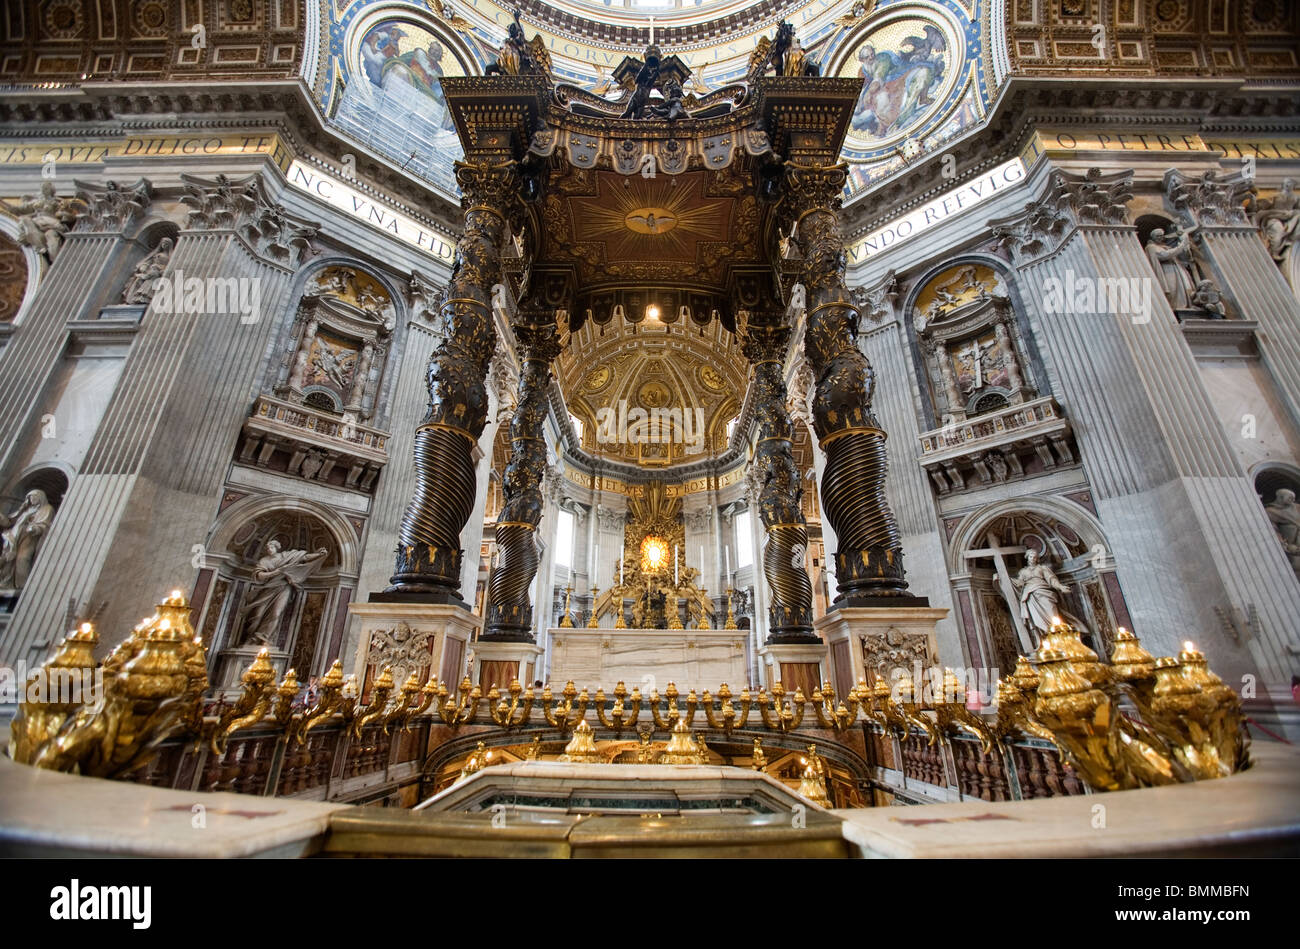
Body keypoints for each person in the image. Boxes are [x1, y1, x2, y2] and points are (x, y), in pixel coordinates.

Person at [236, 541, 329, 646]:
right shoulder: (264, 560)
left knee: (276, 613)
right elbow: (259, 575)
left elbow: (304, 558)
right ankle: (252, 638)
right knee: (257, 615)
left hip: (284, 587)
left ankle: (264, 638)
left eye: (271, 547)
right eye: (267, 548)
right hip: (268, 588)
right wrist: (274, 573)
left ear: (277, 548)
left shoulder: (286, 556)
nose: (269, 549)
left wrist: (318, 554)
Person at [0, 489, 54, 592]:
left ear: (41, 498)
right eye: (30, 498)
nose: (32, 500)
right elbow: (11, 522)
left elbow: (45, 525)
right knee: (8, 559)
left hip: (29, 538)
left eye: (34, 497)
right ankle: (7, 583)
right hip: (15, 537)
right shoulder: (26, 509)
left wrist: (34, 529)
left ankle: (23, 587)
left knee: (22, 559)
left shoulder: (47, 509)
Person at [1011, 549, 1071, 640]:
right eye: (1031, 556)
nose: (1033, 559)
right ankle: (1046, 637)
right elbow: (1019, 583)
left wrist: (1060, 587)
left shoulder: (1042, 568)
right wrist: (1004, 578)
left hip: (1044, 592)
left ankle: (1058, 635)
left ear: (1037, 559)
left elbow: (1051, 579)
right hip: (1031, 595)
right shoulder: (1023, 571)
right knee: (1037, 618)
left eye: (1035, 557)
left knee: (1052, 612)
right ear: (1027, 557)